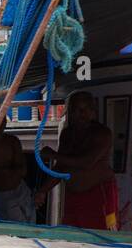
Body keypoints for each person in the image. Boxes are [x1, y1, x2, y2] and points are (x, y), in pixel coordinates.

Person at [38, 91, 118, 230]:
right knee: (72, 237)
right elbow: (61, 167)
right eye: (75, 109)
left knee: (102, 238)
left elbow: (86, 162)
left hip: (99, 195)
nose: (80, 114)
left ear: (92, 111)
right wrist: (42, 191)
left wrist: (53, 155)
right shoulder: (67, 134)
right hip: (73, 196)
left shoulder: (101, 133)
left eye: (84, 109)